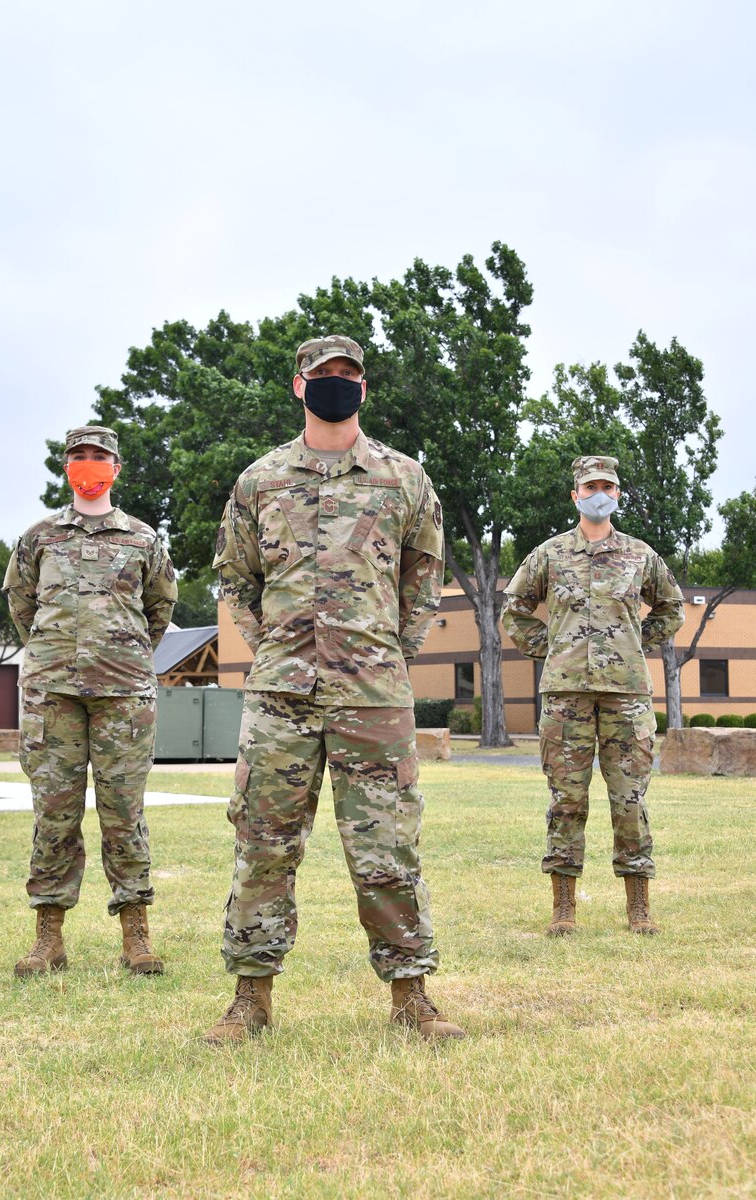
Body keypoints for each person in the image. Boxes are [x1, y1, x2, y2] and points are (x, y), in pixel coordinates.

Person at [205, 334, 465, 1042]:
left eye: (347, 375)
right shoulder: (259, 481)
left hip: (372, 693)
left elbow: (422, 577)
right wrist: (276, 651)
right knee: (263, 843)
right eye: (322, 375)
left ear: (363, 386)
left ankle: (411, 996)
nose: (334, 384)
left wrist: (388, 652)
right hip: (281, 696)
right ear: (298, 385)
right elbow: (237, 578)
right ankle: (249, 998)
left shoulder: (402, 477)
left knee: (386, 846)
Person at [3, 425, 178, 976]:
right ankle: (48, 937)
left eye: (98, 455)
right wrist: (57, 655)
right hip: (52, 693)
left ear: (116, 467)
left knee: (123, 814)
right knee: (53, 814)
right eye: (78, 455)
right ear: (66, 467)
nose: (88, 463)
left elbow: (160, 609)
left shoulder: (144, 540)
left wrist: (119, 656)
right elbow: (22, 606)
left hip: (123, 694)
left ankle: (136, 936)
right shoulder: (39, 538)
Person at [503, 456, 684, 936]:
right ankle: (564, 908)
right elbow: (514, 609)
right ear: (575, 495)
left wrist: (631, 645)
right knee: (566, 799)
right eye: (590, 486)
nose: (598, 494)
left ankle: (638, 907)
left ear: (618, 494)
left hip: (627, 695)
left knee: (629, 800)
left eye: (607, 486)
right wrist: (553, 648)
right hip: (566, 696)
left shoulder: (641, 556)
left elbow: (671, 607)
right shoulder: (549, 554)